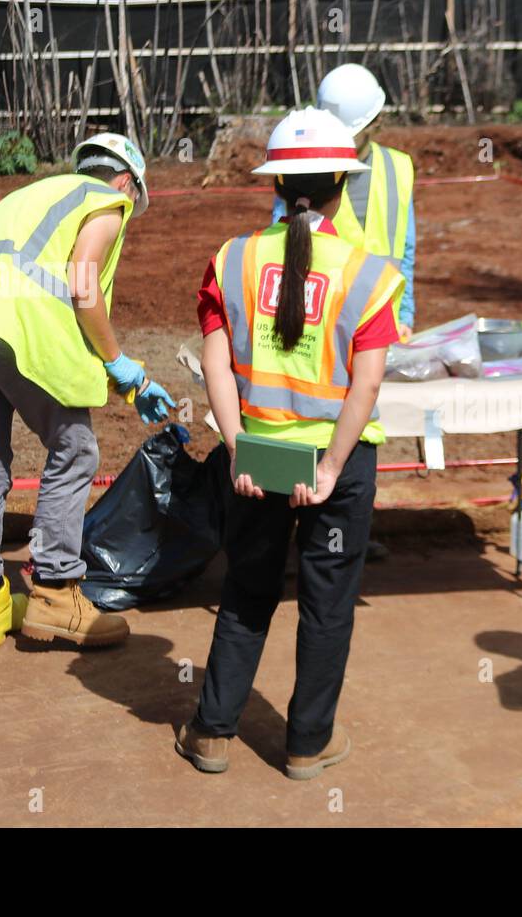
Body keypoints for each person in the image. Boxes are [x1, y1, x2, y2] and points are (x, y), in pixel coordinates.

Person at [175, 107, 404, 780]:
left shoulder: (234, 259)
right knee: (328, 603)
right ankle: (307, 744)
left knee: (247, 589)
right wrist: (330, 467)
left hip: (261, 459)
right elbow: (364, 389)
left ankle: (212, 734)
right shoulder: (370, 275)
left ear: (275, 185)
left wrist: (242, 447)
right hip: (340, 466)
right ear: (342, 184)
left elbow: (215, 364)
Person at [0, 132, 173, 650]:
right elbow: (82, 287)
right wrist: (123, 366)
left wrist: (120, 376)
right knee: (75, 448)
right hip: (14, 328)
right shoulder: (107, 201)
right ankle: (56, 593)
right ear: (127, 181)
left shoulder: (32, 196)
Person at [273, 63, 417, 339]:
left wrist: (404, 315)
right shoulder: (301, 170)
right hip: (320, 328)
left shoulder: (397, 168)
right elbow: (281, 248)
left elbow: (405, 250)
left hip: (379, 320)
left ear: (373, 124)